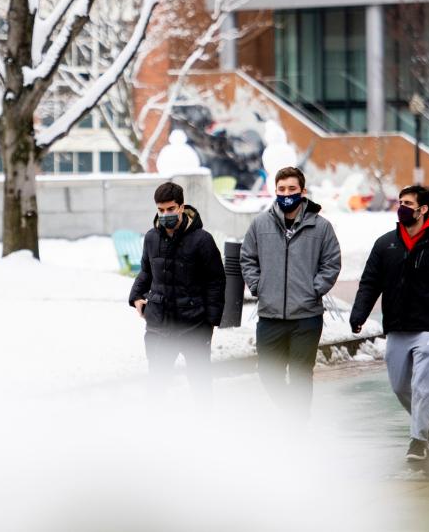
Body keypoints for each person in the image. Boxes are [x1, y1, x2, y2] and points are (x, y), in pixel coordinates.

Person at [350, 185, 429, 462]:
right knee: (399, 386)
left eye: (408, 203)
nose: (402, 208)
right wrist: (359, 315)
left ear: (423, 209)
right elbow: (370, 282)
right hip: (397, 326)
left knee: (422, 386)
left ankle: (418, 440)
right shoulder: (385, 244)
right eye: (400, 202)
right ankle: (427, 417)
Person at [239, 167, 342, 418]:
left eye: (292, 189)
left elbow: (331, 263)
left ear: (302, 191)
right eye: (282, 189)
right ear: (275, 190)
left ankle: (297, 427)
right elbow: (247, 258)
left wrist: (314, 290)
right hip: (270, 315)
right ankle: (292, 414)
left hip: (306, 317)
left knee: (300, 376)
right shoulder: (260, 224)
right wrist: (258, 286)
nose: (286, 194)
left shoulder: (321, 227)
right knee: (268, 374)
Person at [129, 181, 225, 396]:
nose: (165, 214)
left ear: (181, 207)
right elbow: (146, 271)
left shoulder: (202, 240)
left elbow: (216, 281)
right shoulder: (151, 238)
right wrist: (136, 297)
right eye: (161, 210)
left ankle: (204, 417)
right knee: (157, 385)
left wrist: (210, 322)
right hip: (159, 325)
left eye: (170, 209)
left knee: (200, 384)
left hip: (194, 325)